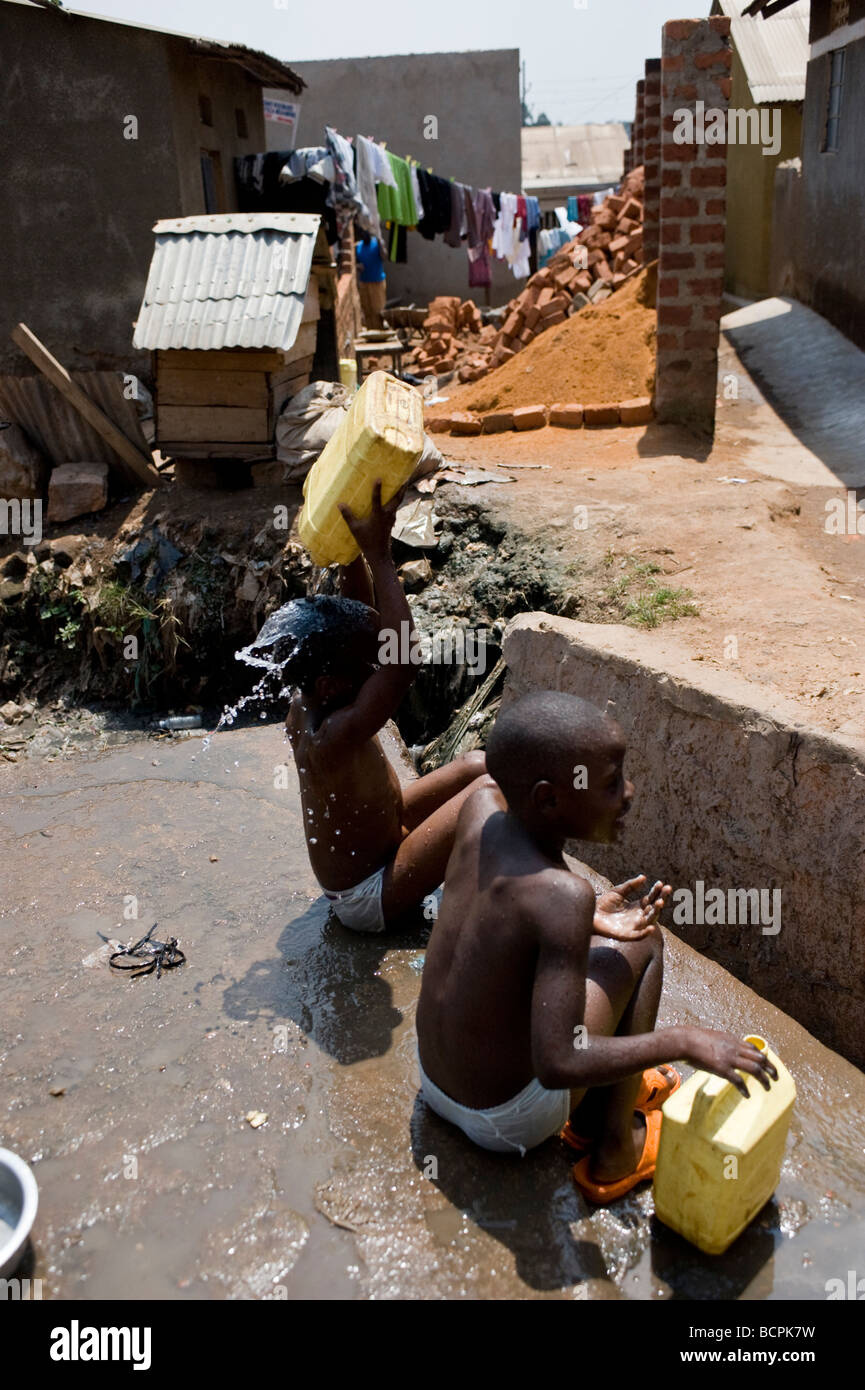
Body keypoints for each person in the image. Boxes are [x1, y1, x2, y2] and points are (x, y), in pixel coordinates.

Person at [416, 691, 777, 1203]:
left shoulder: (480, 807)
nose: (628, 792)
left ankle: (600, 1106)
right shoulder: (563, 896)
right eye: (610, 785)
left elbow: (498, 926)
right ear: (547, 799)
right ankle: (612, 1146)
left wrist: (585, 922)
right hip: (503, 1123)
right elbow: (558, 1061)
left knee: (609, 945)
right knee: (645, 941)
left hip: (435, 1082)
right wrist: (684, 1041)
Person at [284, 481, 492, 933]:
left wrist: (351, 553)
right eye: (365, 659)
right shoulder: (335, 732)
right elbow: (402, 663)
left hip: (385, 834)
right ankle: (516, 903)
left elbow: (357, 615)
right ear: (329, 683)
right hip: (367, 896)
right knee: (489, 796)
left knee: (480, 765)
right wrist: (380, 557)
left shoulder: (313, 698)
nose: (374, 658)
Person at [356, 230, 387, 329]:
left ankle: (380, 330)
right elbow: (356, 262)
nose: (365, 235)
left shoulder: (376, 244)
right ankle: (372, 331)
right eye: (363, 233)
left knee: (378, 309)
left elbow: (384, 257)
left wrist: (381, 244)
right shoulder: (359, 247)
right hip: (364, 282)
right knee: (367, 309)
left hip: (377, 281)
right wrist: (358, 266)